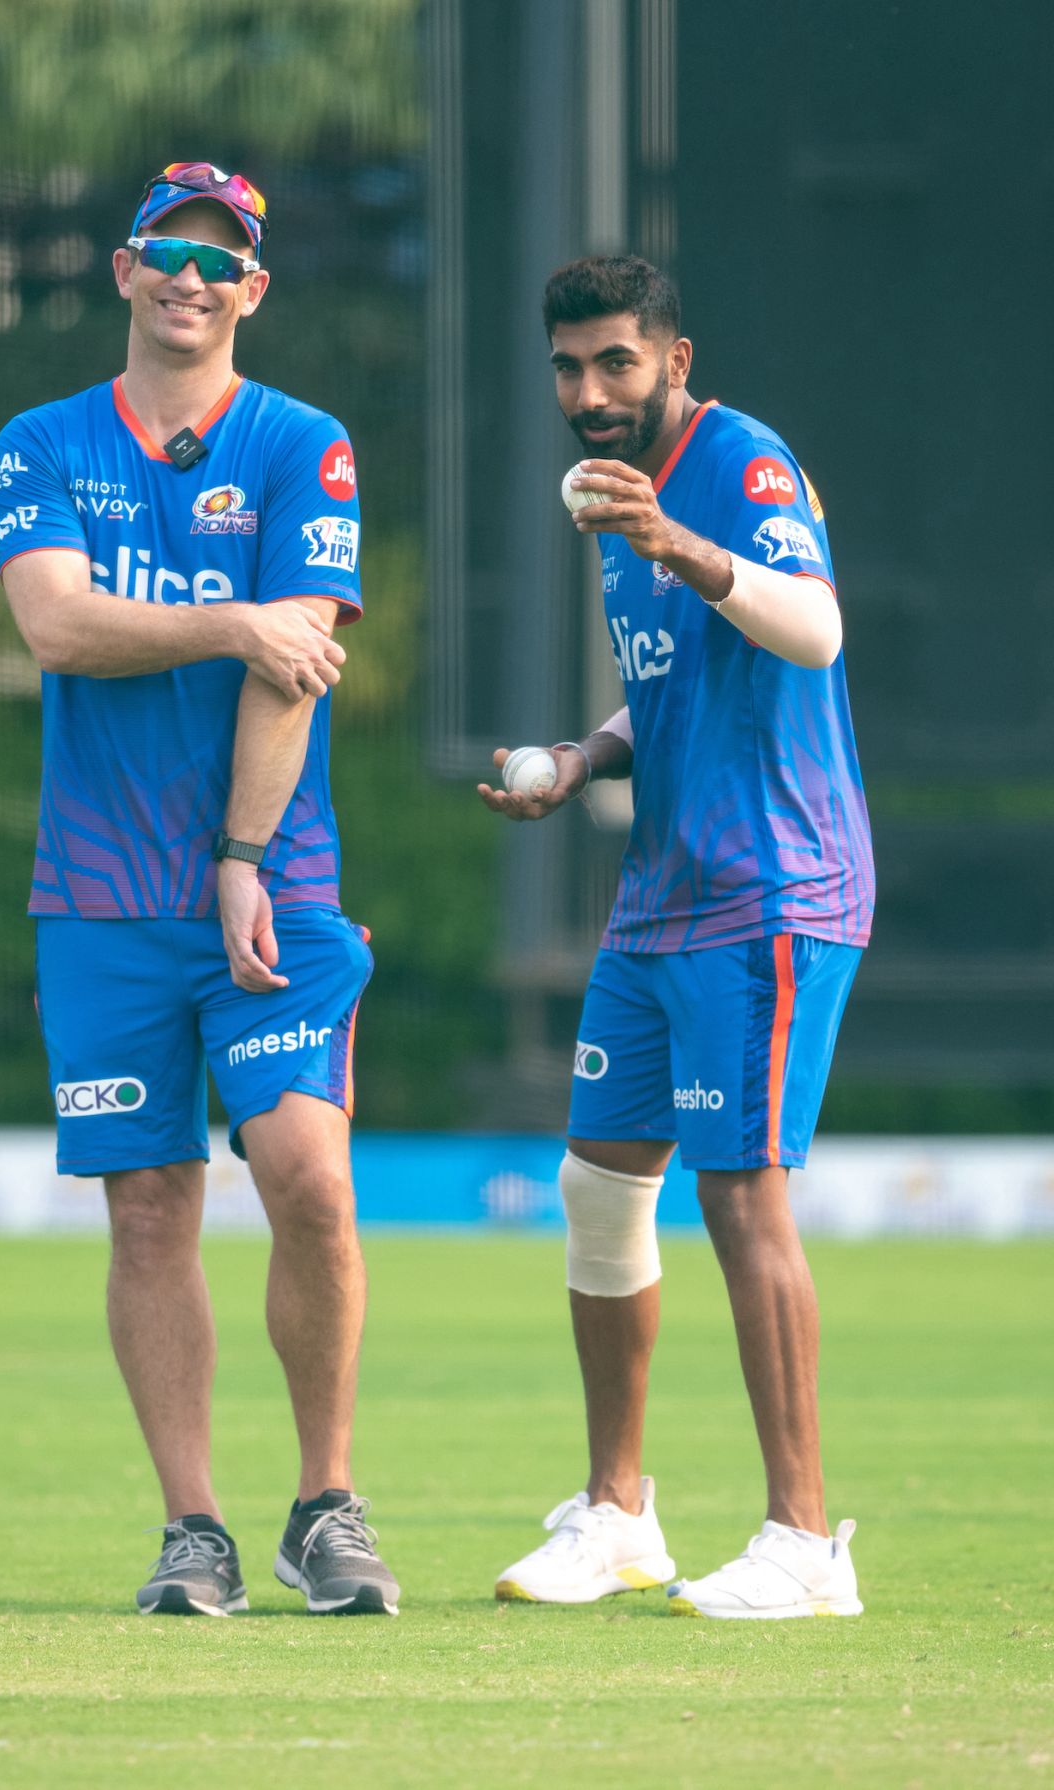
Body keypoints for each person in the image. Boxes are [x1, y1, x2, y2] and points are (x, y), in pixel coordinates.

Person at [0, 162, 399, 1618]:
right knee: (152, 1210)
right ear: (123, 267)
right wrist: (230, 616)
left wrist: (237, 857)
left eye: (221, 263)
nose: (192, 279)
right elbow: (55, 625)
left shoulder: (306, 444)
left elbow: (295, 677)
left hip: (270, 873)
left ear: (254, 291)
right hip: (98, 892)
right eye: (169, 250)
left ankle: (326, 1505)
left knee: (310, 1178)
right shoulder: (38, 440)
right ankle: (196, 1528)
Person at [479, 255, 874, 1619]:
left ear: (675, 360)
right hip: (663, 889)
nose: (589, 392)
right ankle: (620, 1515)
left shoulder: (741, 462)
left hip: (773, 881)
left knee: (740, 1192)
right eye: (568, 367)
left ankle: (807, 1545)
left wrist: (681, 544)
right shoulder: (610, 498)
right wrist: (585, 755)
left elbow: (812, 631)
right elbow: (679, 683)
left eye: (616, 365)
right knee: (598, 1186)